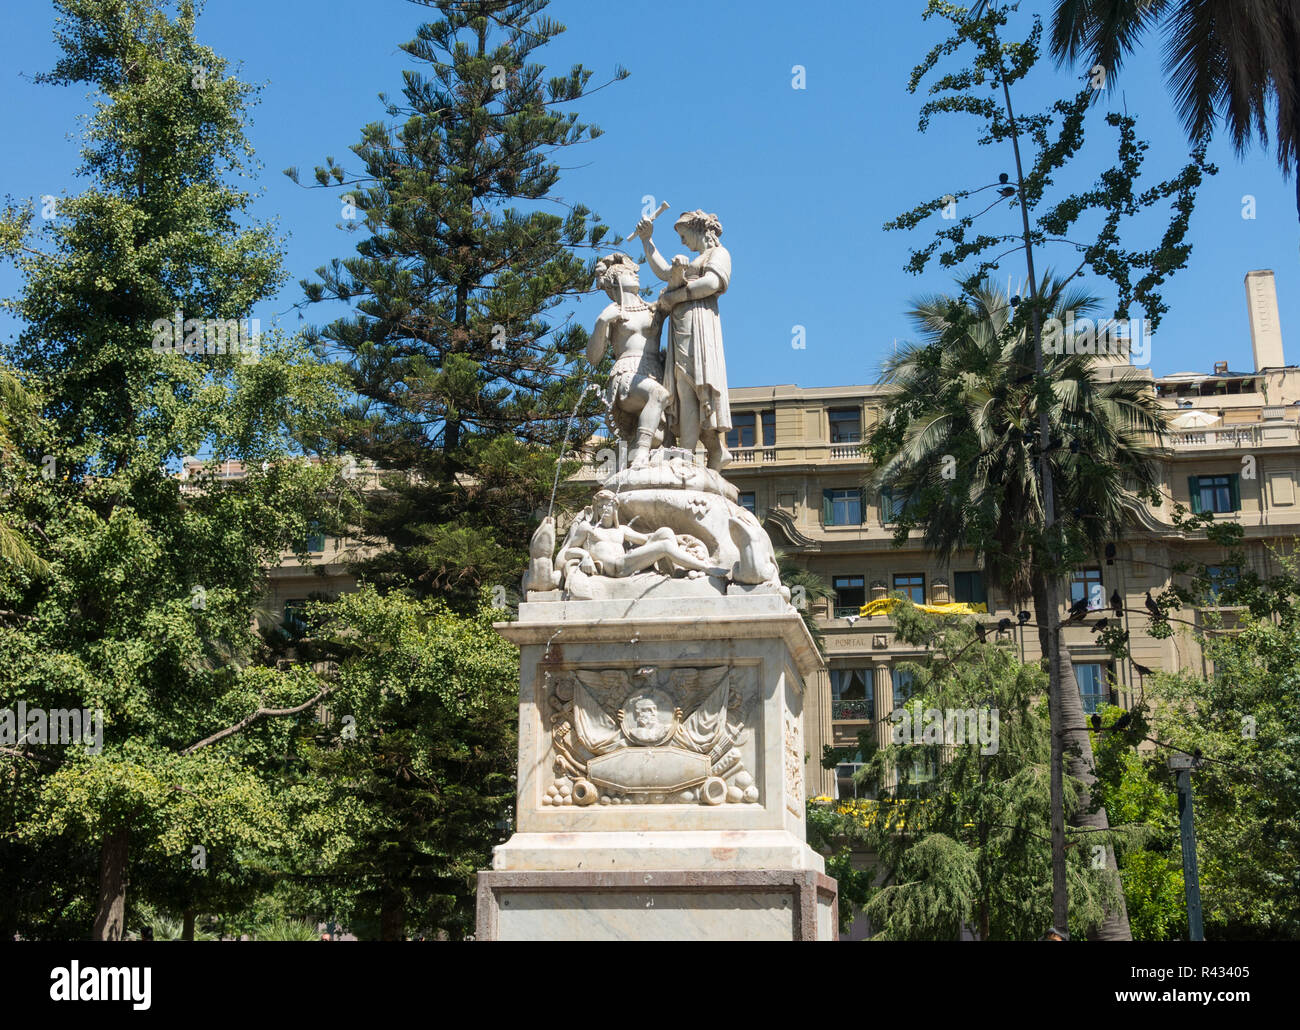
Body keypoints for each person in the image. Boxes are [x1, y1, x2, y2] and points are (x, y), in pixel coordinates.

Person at [634, 209, 733, 470]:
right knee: (681, 387)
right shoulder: (692, 260)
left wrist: (674, 298)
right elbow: (665, 272)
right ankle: (712, 450)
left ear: (698, 229)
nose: (681, 242)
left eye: (682, 234)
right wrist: (647, 240)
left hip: (700, 325)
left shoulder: (719, 254)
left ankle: (687, 452)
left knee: (693, 385)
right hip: (681, 327)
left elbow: (711, 283)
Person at [587, 254, 670, 465]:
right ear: (615, 281)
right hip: (627, 373)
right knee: (658, 394)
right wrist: (601, 323)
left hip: (656, 371)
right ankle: (641, 453)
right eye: (628, 273)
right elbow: (593, 358)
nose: (635, 276)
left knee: (661, 438)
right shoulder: (613, 313)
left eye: (634, 272)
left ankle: (634, 457)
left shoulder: (655, 308)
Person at [557, 490, 723, 579]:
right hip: (615, 568)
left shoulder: (621, 530)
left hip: (626, 562)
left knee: (665, 532)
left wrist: (677, 537)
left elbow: (647, 539)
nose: (605, 510)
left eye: (608, 506)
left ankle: (677, 570)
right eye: (601, 507)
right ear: (596, 510)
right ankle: (706, 568)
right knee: (664, 546)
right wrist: (585, 555)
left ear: (615, 508)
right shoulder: (588, 528)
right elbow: (568, 551)